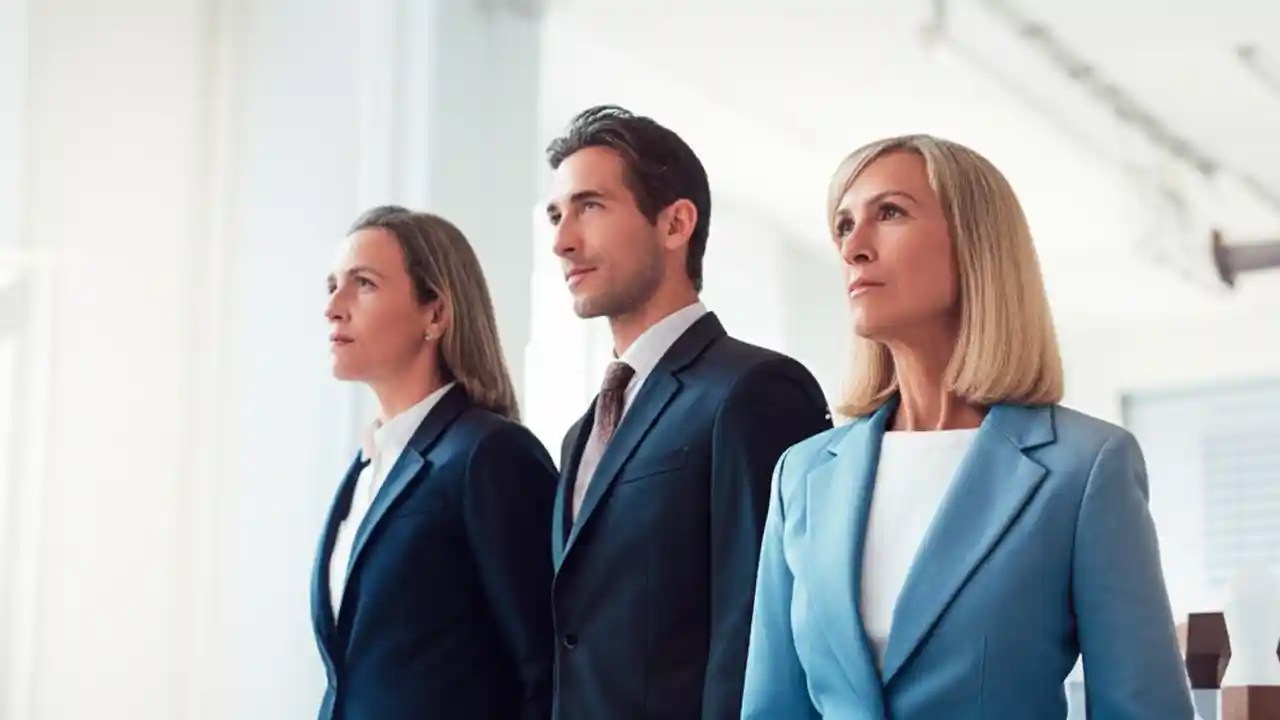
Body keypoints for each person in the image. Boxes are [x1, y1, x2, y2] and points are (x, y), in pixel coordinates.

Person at [741, 135, 1196, 718]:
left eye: (890, 213)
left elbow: (1143, 710)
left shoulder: (1083, 469)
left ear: (974, 243)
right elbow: (773, 708)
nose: (854, 247)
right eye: (843, 225)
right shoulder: (801, 476)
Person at [542, 106, 832, 719]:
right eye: (556, 214)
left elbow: (759, 636)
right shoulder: (580, 435)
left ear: (675, 223)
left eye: (590, 206)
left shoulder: (754, 391)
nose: (563, 240)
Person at [311, 206, 556, 719]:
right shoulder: (365, 470)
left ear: (436, 314)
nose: (333, 306)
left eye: (364, 283)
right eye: (333, 284)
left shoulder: (490, 455)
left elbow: (546, 669)